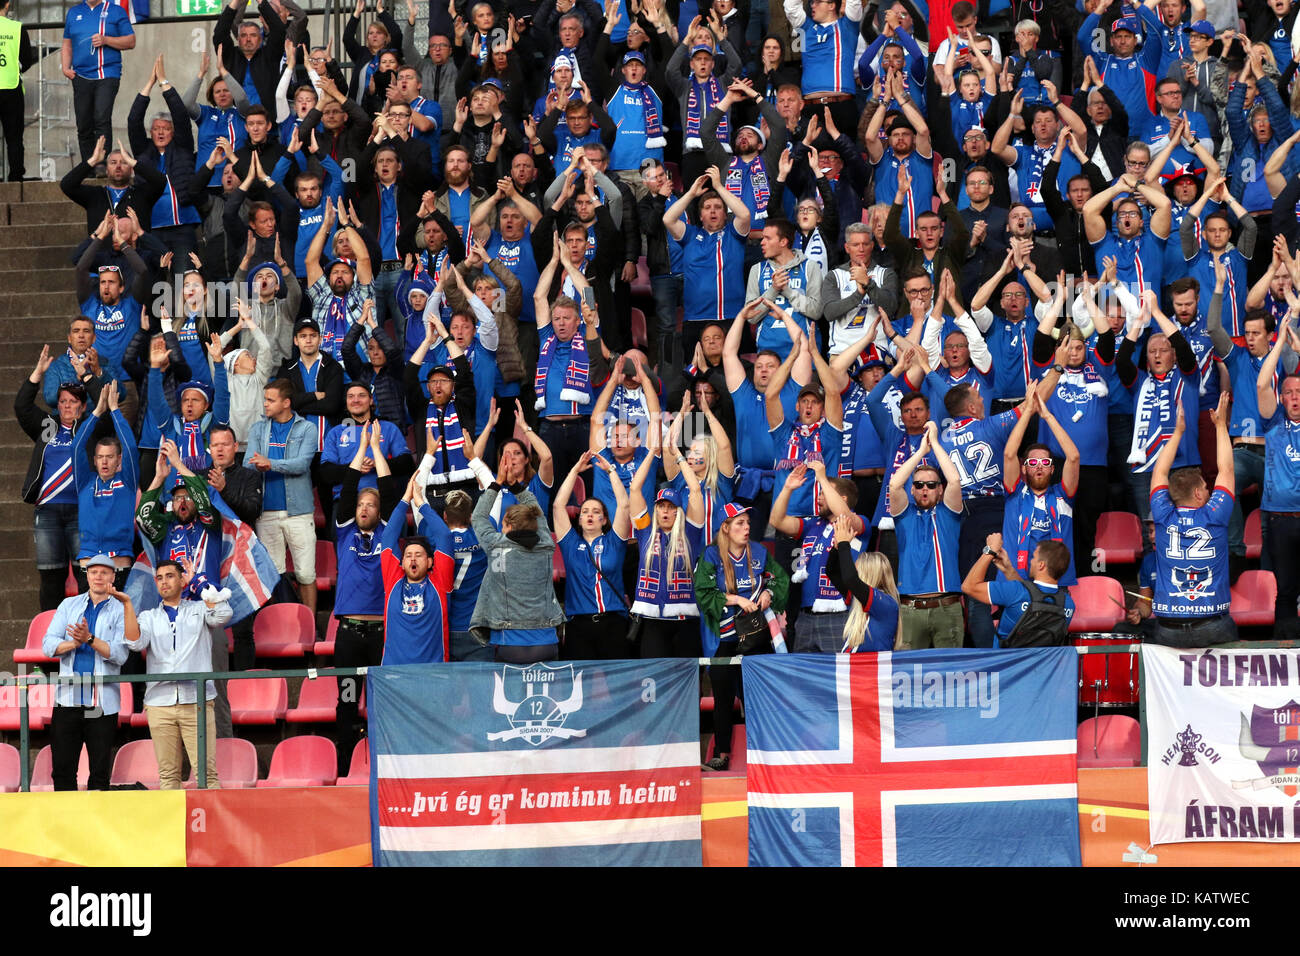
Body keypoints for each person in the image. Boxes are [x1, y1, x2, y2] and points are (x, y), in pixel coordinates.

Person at [694, 502, 789, 771]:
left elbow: (778, 579)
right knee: (723, 699)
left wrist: (769, 593)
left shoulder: (758, 551)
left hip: (756, 637)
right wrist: (735, 598)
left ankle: (767, 754)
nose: (746, 528)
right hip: (724, 640)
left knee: (759, 698)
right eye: (739, 523)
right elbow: (702, 592)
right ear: (725, 528)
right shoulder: (711, 555)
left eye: (748, 523)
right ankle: (721, 755)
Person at [127, 559, 231, 788]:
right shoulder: (147, 616)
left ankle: (213, 824)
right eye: (160, 578)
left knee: (206, 774)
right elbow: (135, 644)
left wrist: (199, 581)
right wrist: (126, 604)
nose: (164, 582)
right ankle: (171, 825)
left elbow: (223, 614)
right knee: (168, 775)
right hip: (159, 703)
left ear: (182, 580)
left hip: (197, 701)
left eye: (170, 576)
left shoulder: (199, 608)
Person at [18, 347, 105, 610]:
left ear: (83, 405)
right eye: (63, 401)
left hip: (82, 511)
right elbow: (21, 406)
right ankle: (51, 636)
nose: (67, 406)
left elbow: (107, 403)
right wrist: (37, 373)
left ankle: (87, 625)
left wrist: (86, 376)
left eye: (73, 401)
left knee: (85, 575)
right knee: (51, 576)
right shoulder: (47, 424)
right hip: (47, 512)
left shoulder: (92, 426)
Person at [333, 423, 400, 766]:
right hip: (347, 638)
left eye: (371, 505)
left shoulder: (389, 532)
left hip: (380, 637)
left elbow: (388, 490)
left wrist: (375, 447)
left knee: (380, 703)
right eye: (361, 503)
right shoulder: (345, 534)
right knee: (346, 702)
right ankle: (345, 765)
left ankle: (381, 766)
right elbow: (346, 489)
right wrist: (360, 450)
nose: (364, 508)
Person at [1148, 394, 1237, 647]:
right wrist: (1220, 426)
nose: (1209, 492)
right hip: (1212, 625)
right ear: (1198, 493)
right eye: (1206, 488)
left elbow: (1159, 472)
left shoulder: (1163, 515)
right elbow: (1226, 470)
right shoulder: (1215, 514)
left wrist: (1177, 433)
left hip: (1168, 627)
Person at [42, 553, 133, 791]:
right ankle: (65, 825)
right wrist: (74, 643)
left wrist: (89, 639)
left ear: (113, 576)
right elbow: (48, 644)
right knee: (62, 770)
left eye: (104, 572)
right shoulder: (68, 604)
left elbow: (121, 654)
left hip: (102, 702)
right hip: (67, 699)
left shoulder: (121, 608)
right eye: (94, 572)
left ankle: (95, 827)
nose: (98, 577)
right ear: (87, 575)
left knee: (100, 774)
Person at [469, 460, 566, 663]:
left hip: (509, 642)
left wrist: (497, 484)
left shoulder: (495, 544)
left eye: (503, 526)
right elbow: (537, 512)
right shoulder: (547, 544)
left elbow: (478, 517)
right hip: (546, 641)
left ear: (510, 526)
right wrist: (516, 487)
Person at [889, 420, 965, 649]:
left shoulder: (948, 513)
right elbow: (894, 485)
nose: (925, 489)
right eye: (919, 484)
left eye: (931, 485)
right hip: (910, 609)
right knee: (909, 679)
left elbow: (954, 479)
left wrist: (934, 442)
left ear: (939, 490)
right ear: (912, 489)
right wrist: (921, 451)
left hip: (947, 607)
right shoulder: (904, 514)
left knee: (951, 678)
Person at [246, 378, 319, 617]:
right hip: (266, 511)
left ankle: (309, 628)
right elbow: (250, 463)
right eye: (265, 399)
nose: (265, 404)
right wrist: (264, 464)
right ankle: (281, 624)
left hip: (299, 512)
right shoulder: (258, 428)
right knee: (273, 574)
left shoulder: (307, 428)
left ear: (286, 402)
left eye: (270, 400)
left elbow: (302, 464)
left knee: (306, 574)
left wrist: (271, 463)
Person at [554, 450, 632, 658]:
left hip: (613, 623)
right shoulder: (570, 543)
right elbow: (558, 505)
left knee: (617, 686)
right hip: (578, 625)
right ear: (579, 519)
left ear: (604, 520)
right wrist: (574, 471)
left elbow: (624, 506)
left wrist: (611, 471)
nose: (590, 515)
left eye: (596, 512)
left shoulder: (614, 541)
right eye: (585, 511)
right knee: (582, 689)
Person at [376, 475, 454, 665]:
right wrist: (405, 499)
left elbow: (444, 536)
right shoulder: (393, 580)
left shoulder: (440, 582)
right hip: (394, 675)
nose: (412, 558)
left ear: (429, 562)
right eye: (408, 555)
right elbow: (388, 537)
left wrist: (419, 502)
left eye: (418, 555)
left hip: (433, 675)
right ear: (401, 563)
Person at [1256, 322, 1300, 639]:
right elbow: (1261, 386)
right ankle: (1284, 650)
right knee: (1284, 588)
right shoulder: (1274, 423)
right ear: (1281, 398)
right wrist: (1280, 342)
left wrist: (1297, 351)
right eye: (1289, 393)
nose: (1295, 398)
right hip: (1280, 518)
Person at [71, 381, 137, 588]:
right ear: (95, 459)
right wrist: (97, 411)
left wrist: (115, 411)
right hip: (89, 561)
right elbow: (76, 447)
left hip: (119, 562)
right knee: (88, 621)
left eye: (110, 457)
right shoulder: (85, 482)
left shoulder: (127, 482)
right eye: (100, 457)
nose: (105, 462)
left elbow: (131, 447)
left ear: (119, 460)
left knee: (120, 621)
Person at [962, 534, 1075, 648]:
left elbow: (968, 586)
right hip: (1042, 664)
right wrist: (1009, 570)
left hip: (1007, 663)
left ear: (1041, 565)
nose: (1030, 561)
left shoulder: (1015, 592)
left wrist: (990, 550)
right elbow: (1033, 595)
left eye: (1033, 557)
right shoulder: (1068, 604)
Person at [61, 0, 136, 165]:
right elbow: (67, 44)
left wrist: (106, 40)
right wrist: (65, 68)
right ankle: (88, 165)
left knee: (101, 118)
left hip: (107, 74)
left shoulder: (115, 11)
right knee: (83, 123)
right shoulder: (74, 12)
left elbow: (131, 41)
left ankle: (102, 164)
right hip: (80, 75)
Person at [830, 514, 900, 652]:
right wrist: (836, 547)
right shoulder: (860, 599)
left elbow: (850, 579)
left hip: (872, 671)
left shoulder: (885, 603)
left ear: (869, 573)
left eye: (857, 570)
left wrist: (845, 544)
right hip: (855, 670)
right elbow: (832, 572)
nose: (853, 573)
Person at [0, 0, 34, 181]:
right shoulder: (17, 28)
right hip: (11, 87)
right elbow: (27, 59)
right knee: (14, 137)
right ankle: (15, 176)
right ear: (8, 4)